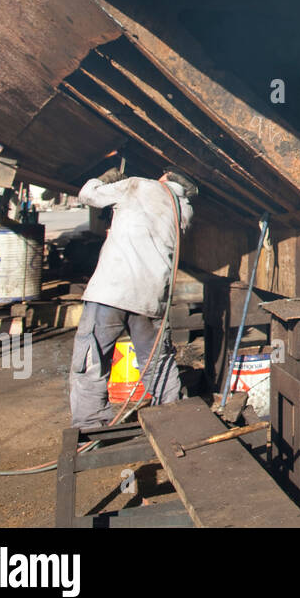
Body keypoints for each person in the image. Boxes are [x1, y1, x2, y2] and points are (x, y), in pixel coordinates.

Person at [68, 168, 197, 429]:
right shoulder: (185, 210)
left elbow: (87, 195)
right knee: (157, 364)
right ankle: (173, 421)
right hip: (152, 297)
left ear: (166, 175)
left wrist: (107, 178)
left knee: (91, 361)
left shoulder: (138, 185)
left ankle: (91, 426)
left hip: (111, 291)